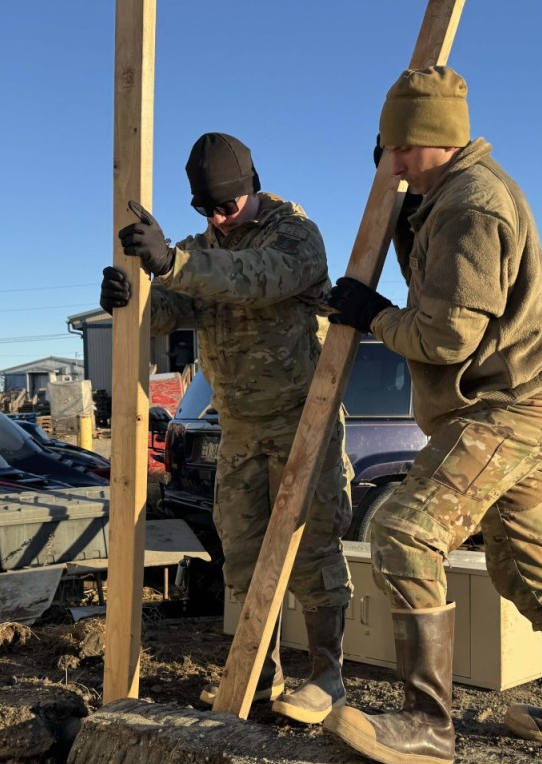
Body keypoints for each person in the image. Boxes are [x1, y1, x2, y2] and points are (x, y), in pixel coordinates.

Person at [322, 67, 542, 764]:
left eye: (401, 149)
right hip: (511, 404)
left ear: (436, 140)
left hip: (504, 409)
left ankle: (428, 724)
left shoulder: (472, 207)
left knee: (402, 531)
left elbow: (447, 338)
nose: (391, 163)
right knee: (524, 568)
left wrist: (375, 318)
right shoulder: (443, 201)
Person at [99, 132, 353, 725]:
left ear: (251, 187)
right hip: (237, 423)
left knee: (312, 545)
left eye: (226, 205)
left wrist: (175, 264)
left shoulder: (295, 237)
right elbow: (167, 310)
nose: (216, 217)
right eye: (205, 209)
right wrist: (127, 297)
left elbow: (251, 279)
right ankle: (257, 677)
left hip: (302, 418)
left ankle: (327, 678)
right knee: (239, 552)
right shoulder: (198, 248)